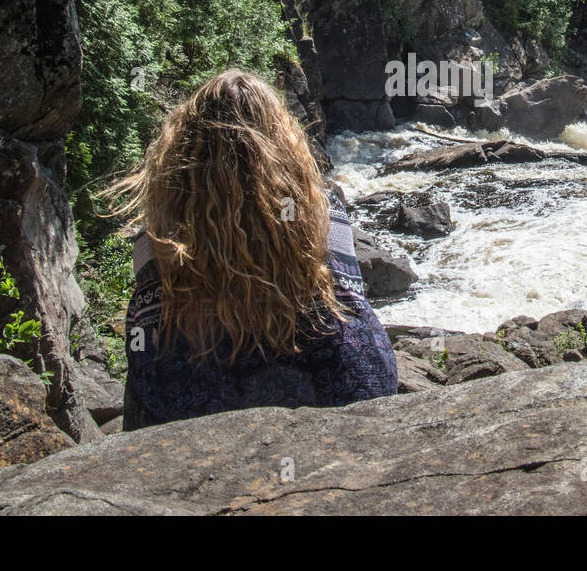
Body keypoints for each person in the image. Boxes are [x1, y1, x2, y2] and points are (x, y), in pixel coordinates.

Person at [104, 70, 397, 430]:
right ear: (286, 148)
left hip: (190, 415)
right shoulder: (325, 212)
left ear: (179, 161)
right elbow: (351, 298)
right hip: (343, 394)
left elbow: (145, 335)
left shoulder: (153, 243)